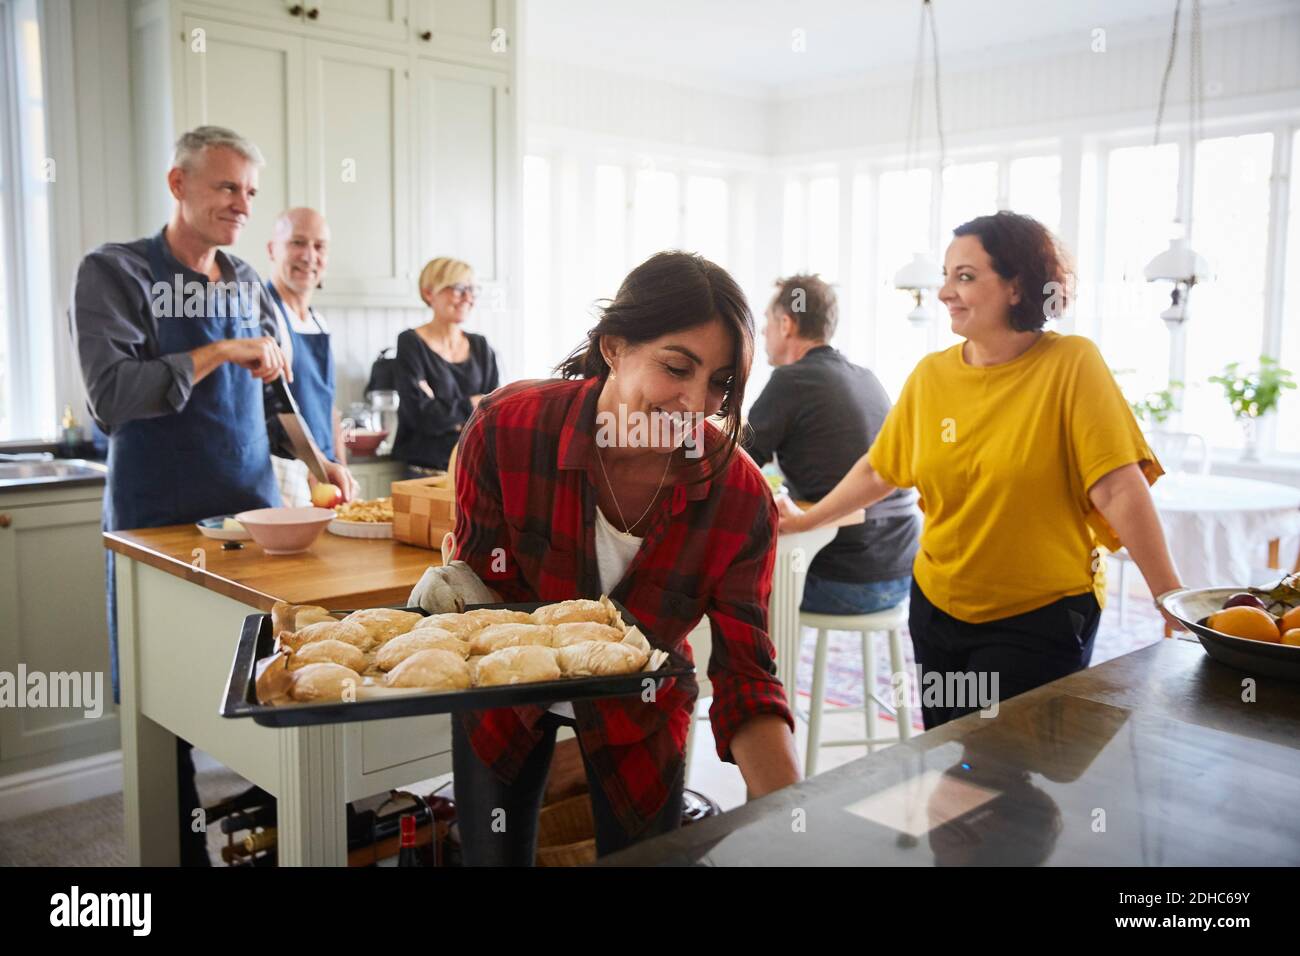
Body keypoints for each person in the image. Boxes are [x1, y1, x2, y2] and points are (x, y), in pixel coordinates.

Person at [419, 251, 801, 864]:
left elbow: (746, 676)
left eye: (722, 384)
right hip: (504, 696)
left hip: (641, 707)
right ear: (614, 347)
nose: (697, 404)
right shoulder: (508, 430)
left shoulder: (739, 497)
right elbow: (479, 612)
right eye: (677, 368)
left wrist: (794, 822)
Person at [778, 212, 1184, 728]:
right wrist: (805, 521)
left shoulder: (1071, 364)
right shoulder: (932, 376)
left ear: (1017, 286)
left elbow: (1117, 488)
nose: (947, 291)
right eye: (946, 275)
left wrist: (1169, 596)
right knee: (949, 762)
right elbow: (880, 470)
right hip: (936, 608)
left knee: (1014, 777)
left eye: (965, 276)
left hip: (1039, 617)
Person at [71, 125, 289, 865]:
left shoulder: (249, 281)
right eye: (227, 187)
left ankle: (279, 841)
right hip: (156, 526)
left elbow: (275, 391)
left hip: (253, 522)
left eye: (250, 192)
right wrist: (223, 349)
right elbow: (114, 397)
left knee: (270, 687)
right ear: (179, 184)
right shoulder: (116, 273)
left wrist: (322, 458)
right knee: (164, 710)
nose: (241, 205)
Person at [744, 273, 919, 615]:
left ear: (786, 323)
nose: (762, 332)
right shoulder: (866, 377)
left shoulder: (789, 381)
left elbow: (737, 464)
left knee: (727, 588)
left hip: (845, 582)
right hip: (903, 571)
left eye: (766, 320)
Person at [263, 207, 357, 504]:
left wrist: (339, 465)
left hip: (323, 474)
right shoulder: (265, 317)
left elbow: (329, 408)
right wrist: (313, 463)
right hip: (284, 473)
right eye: (297, 243)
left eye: (319, 246)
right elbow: (271, 411)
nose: (309, 255)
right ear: (272, 250)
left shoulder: (318, 322)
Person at [391, 257, 499, 476]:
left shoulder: (480, 346)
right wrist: (472, 403)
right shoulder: (411, 343)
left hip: (475, 470)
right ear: (429, 292)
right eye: (458, 288)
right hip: (424, 473)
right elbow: (419, 415)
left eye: (472, 289)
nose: (468, 297)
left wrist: (444, 411)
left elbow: (494, 412)